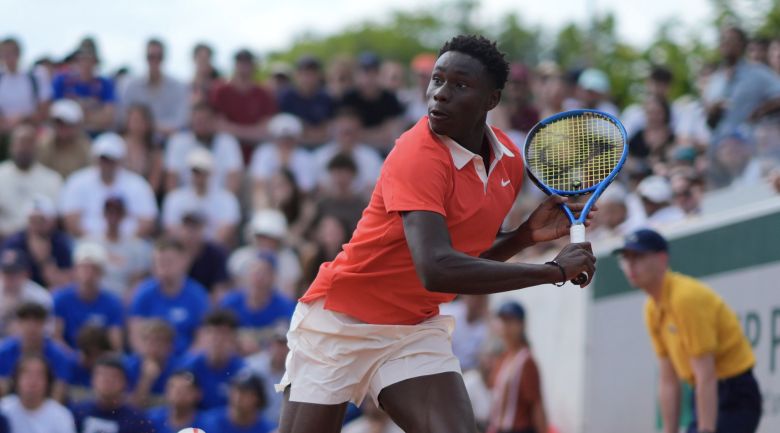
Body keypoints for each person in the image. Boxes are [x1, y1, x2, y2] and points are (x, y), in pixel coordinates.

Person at [276, 35, 596, 433]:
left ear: (491, 100)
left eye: (459, 85)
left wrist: (522, 237)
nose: (440, 94)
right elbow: (437, 269)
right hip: (340, 320)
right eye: (437, 80)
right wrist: (552, 271)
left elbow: (464, 263)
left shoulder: (510, 162)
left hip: (411, 330)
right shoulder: (417, 154)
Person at [615, 229, 762, 433]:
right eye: (625, 258)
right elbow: (668, 379)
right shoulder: (651, 307)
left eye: (638, 256)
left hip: (734, 393)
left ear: (662, 259)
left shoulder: (685, 298)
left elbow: (706, 374)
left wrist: (706, 429)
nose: (630, 265)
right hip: (705, 391)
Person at [60, 132, 158, 239]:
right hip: (87, 243)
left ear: (121, 160)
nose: (106, 163)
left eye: (111, 159)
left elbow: (147, 221)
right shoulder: (77, 181)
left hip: (129, 243)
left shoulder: (138, 184)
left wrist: (122, 242)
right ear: (95, 158)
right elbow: (71, 220)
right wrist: (96, 241)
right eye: (103, 158)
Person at [128, 238, 209, 356]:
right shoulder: (143, 293)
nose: (163, 268)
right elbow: (135, 335)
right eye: (159, 262)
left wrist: (185, 364)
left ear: (183, 262)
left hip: (185, 359)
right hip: (150, 358)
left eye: (169, 262)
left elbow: (202, 337)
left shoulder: (197, 295)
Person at [704, 25, 780, 142]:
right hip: (721, 147)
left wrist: (761, 110)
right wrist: (713, 110)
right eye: (723, 40)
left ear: (742, 45)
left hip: (751, 146)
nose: (726, 43)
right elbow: (708, 118)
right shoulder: (715, 80)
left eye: (731, 40)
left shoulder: (758, 73)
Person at [52, 241, 124, 351]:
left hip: (101, 359)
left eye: (93, 269)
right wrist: (75, 358)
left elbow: (115, 343)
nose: (88, 274)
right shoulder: (60, 299)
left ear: (101, 273)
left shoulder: (113, 303)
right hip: (69, 358)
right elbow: (56, 338)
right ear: (75, 270)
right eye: (84, 268)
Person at [162, 147, 240, 247]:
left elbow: (225, 232)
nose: (199, 176)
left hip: (212, 252)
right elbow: (171, 230)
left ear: (211, 172)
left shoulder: (227, 199)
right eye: (195, 171)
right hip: (181, 251)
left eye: (203, 171)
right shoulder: (174, 198)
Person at [220, 252, 296, 355]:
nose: (259, 278)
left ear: (273, 277)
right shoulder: (230, 302)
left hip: (269, 361)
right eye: (255, 271)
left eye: (264, 273)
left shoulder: (285, 306)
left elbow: (290, 340)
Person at [488, 301, 547, 433]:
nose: (505, 326)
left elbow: (536, 405)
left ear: (521, 325)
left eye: (510, 321)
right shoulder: (503, 358)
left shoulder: (526, 361)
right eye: (503, 320)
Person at [211, 48, 277, 161]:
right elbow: (217, 125)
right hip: (225, 154)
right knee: (226, 142)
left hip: (256, 152)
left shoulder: (264, 93)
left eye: (247, 62)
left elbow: (265, 130)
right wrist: (250, 133)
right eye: (240, 62)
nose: (244, 66)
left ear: (254, 66)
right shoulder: (221, 91)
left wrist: (233, 131)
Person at [164, 101, 243, 195]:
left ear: (214, 120)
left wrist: (226, 203)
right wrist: (176, 202)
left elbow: (233, 177)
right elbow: (172, 178)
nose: (201, 125)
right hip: (186, 199)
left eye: (205, 120)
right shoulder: (177, 141)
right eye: (198, 120)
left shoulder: (228, 142)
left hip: (219, 198)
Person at [0, 124, 62, 239]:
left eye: (29, 143)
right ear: (11, 146)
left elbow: (55, 219)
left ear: (37, 147)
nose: (24, 148)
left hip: (42, 239)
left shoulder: (52, 179)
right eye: (20, 143)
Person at [0, 303, 72, 400]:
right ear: (18, 323)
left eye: (37, 321)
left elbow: (59, 389)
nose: (31, 327)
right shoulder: (4, 352)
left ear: (45, 324)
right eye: (26, 321)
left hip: (46, 406)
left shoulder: (59, 356)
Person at [177, 310, 245, 410]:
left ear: (233, 338)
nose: (217, 339)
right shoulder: (188, 367)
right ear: (202, 336)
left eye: (223, 334)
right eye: (212, 333)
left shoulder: (243, 371)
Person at [338, 52, 405, 152]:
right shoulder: (348, 98)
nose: (369, 77)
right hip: (354, 150)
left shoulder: (390, 98)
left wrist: (361, 133)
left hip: (383, 150)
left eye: (373, 72)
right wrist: (377, 132)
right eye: (365, 71)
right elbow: (346, 132)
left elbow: (391, 134)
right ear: (357, 74)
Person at [121, 39, 189, 138]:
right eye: (151, 57)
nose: (155, 61)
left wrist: (148, 126)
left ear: (164, 58)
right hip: (138, 140)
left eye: (159, 57)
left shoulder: (178, 87)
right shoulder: (132, 86)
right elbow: (124, 118)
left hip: (169, 140)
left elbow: (181, 122)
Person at [89, 196, 152, 301]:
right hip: (96, 298)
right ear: (104, 214)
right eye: (110, 212)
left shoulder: (136, 246)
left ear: (123, 215)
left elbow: (138, 280)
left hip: (124, 299)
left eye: (117, 213)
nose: (113, 217)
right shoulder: (91, 243)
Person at [228, 209, 303, 298]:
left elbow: (289, 295)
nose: (266, 242)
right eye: (262, 236)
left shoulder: (289, 261)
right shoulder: (239, 258)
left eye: (271, 238)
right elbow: (234, 291)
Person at [1, 195, 73, 288]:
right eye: (32, 220)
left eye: (41, 220)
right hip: (18, 292)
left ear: (52, 221)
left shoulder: (61, 243)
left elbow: (66, 284)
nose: (36, 225)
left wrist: (44, 261)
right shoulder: (14, 243)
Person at [71, 355, 154, 433]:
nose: (107, 380)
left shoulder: (137, 421)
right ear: (92, 379)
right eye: (102, 375)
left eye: (113, 376)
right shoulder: (77, 413)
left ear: (124, 382)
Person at [313, 108, 383, 198]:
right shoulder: (320, 155)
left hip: (360, 205)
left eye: (350, 132)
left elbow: (372, 189)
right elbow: (319, 188)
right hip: (328, 203)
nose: (347, 138)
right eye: (343, 132)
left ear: (358, 131)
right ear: (334, 131)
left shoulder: (371, 157)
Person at [250, 113, 317, 204]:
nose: (285, 143)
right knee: (259, 193)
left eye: (289, 139)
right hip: (269, 199)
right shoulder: (264, 152)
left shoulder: (304, 157)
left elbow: (305, 189)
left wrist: (285, 192)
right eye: (282, 138)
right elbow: (259, 182)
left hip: (295, 203)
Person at [0, 355, 76, 433]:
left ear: (48, 381)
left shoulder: (61, 415)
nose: (33, 380)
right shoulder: (3, 409)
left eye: (39, 375)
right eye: (27, 374)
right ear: (16, 379)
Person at [51, 48, 115, 135]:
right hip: (66, 135)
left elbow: (108, 117)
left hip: (95, 134)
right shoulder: (62, 81)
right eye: (82, 60)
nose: (86, 64)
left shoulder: (105, 84)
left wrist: (75, 116)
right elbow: (54, 113)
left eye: (90, 60)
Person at [278, 55, 334, 146]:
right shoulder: (286, 97)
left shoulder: (326, 97)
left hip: (321, 145)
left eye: (312, 73)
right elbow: (285, 128)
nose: (308, 78)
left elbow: (329, 128)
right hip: (293, 147)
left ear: (319, 76)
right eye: (304, 73)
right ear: (297, 75)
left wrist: (305, 129)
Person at [126, 319, 181, 408]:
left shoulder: (179, 368)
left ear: (170, 346)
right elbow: (131, 407)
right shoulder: (129, 366)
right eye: (147, 340)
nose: (152, 345)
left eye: (158, 340)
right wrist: (146, 380)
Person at [0, 38, 50, 133]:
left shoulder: (36, 75)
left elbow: (44, 109)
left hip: (31, 128)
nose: (8, 57)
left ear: (19, 54)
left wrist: (22, 119)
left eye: (12, 53)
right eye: (4, 53)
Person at [200, 372, 274, 433]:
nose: (238, 396)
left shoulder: (269, 430)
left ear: (257, 398)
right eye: (235, 390)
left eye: (245, 392)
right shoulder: (208, 423)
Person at [35, 99, 91, 179]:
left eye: (67, 123)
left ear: (77, 126)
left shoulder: (85, 148)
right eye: (59, 123)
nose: (62, 127)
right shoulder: (43, 145)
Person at [0, 250, 51, 336]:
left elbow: (48, 331)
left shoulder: (39, 296)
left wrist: (24, 329)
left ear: (25, 274)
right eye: (6, 273)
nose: (9, 278)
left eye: (13, 273)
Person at [121, 104, 164, 195]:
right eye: (133, 120)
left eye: (139, 120)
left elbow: (153, 185)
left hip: (144, 197)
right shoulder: (119, 145)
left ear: (147, 124)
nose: (136, 124)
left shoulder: (155, 152)